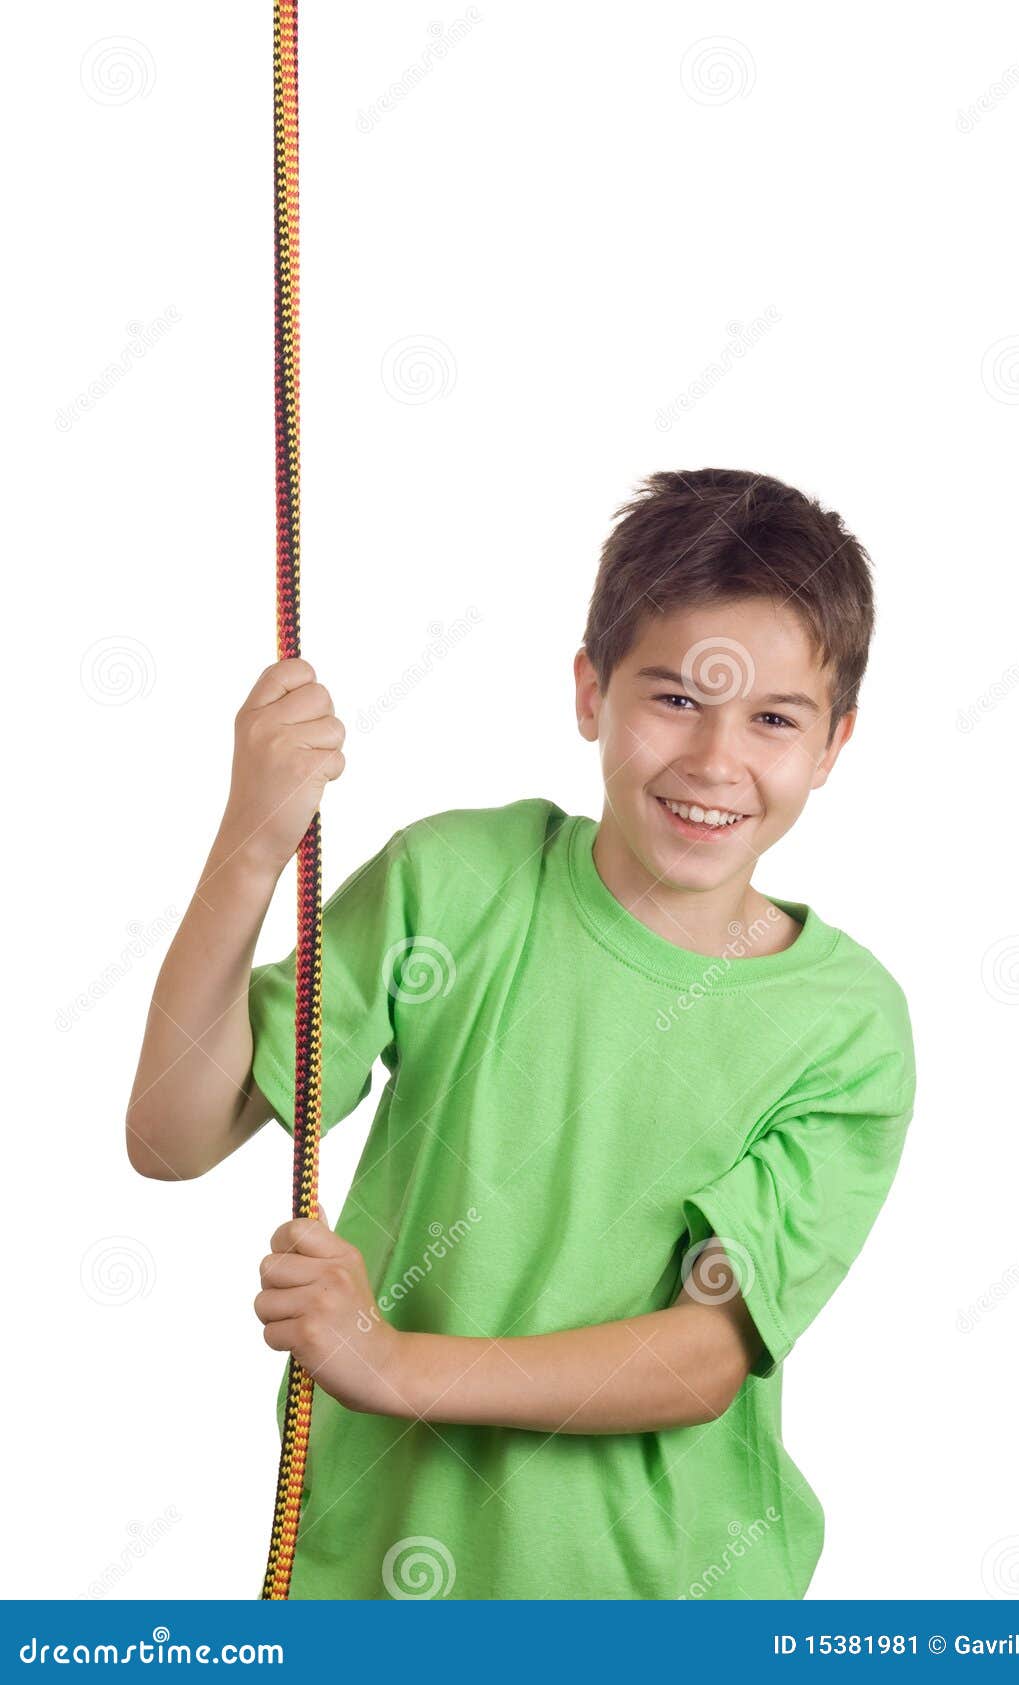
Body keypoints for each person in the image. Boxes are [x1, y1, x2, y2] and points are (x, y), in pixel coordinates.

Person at [126, 467, 917, 1600]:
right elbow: (170, 1135)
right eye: (675, 697)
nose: (714, 761)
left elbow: (697, 1359)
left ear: (833, 745)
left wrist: (389, 1361)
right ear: (591, 692)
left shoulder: (846, 1029)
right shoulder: (452, 886)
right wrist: (252, 844)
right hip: (382, 1586)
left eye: (774, 719)